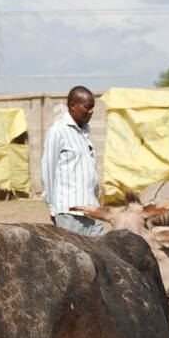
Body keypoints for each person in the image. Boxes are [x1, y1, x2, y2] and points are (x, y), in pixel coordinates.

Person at [41, 86, 102, 236]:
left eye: (92, 107)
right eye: (87, 107)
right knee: (74, 258)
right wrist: (53, 208)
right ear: (73, 106)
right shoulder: (57, 131)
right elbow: (47, 171)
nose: (91, 111)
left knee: (101, 257)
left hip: (92, 210)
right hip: (70, 213)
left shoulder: (85, 133)